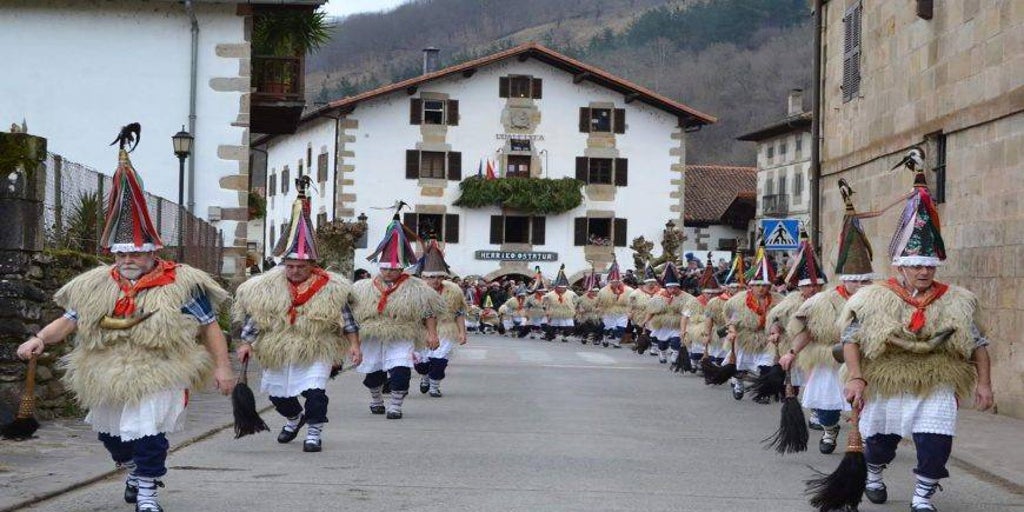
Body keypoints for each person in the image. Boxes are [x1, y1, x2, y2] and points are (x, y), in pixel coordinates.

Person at [17, 128, 234, 512]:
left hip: (161, 369)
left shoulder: (183, 283)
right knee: (113, 435)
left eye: (135, 253)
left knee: (149, 433)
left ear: (152, 252)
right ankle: (133, 468)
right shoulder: (97, 284)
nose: (128, 261)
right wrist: (41, 339)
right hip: (106, 369)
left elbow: (209, 327)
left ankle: (147, 491)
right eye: (121, 255)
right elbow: (69, 319)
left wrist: (222, 368)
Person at [839, 162, 993, 512]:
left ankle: (923, 495)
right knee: (879, 444)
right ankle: (874, 473)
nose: (924, 271)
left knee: (936, 443)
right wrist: (857, 376)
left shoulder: (958, 300)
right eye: (916, 266)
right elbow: (852, 338)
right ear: (901, 267)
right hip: (887, 379)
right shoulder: (874, 297)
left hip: (936, 379)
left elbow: (979, 345)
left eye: (929, 266)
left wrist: (984, 384)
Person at [234, 178, 359, 452]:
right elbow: (257, 316)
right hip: (278, 346)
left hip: (315, 345)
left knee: (315, 391)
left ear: (312, 265)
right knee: (279, 395)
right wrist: (246, 343)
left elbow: (347, 318)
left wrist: (354, 346)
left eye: (300, 267)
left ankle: (314, 431)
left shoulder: (331, 287)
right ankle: (294, 418)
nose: (294, 271)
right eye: (289, 266)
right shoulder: (268, 287)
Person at [779, 181, 874, 453]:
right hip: (831, 358)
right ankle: (830, 429)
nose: (863, 286)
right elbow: (808, 330)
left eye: (867, 280)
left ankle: (863, 436)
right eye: (858, 281)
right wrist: (791, 352)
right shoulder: (824, 301)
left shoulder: (878, 299)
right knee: (829, 405)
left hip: (865, 361)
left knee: (866, 403)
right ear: (847, 280)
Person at [352, 211, 442, 419]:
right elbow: (353, 314)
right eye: (385, 269)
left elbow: (428, 310)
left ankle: (395, 405)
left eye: (394, 269)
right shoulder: (363, 288)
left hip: (402, 332)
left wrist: (432, 334)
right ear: (379, 268)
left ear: (401, 268)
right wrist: (352, 341)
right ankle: (376, 399)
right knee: (373, 373)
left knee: (401, 370)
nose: (389, 273)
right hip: (373, 334)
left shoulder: (416, 287)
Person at [764, 229, 826, 402]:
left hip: (820, 350)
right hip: (796, 348)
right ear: (801, 286)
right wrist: (775, 331)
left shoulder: (829, 301)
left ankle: (817, 412)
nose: (813, 289)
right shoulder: (790, 302)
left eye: (817, 285)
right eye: (809, 285)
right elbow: (776, 318)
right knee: (796, 384)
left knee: (818, 384)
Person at [724, 239, 784, 400]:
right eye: (758, 285)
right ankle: (739, 382)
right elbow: (733, 320)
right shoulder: (739, 300)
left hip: (766, 339)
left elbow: (779, 319)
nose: (761, 288)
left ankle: (762, 392)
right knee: (741, 369)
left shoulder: (778, 300)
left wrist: (776, 331)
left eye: (765, 285)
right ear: (751, 286)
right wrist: (731, 332)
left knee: (766, 367)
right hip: (745, 338)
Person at [412, 238, 467, 398]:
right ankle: (425, 376)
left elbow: (459, 312)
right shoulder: (417, 291)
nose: (435, 280)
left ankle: (434, 386)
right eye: (431, 277)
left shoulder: (453, 291)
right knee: (422, 363)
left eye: (438, 277)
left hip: (445, 328)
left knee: (439, 359)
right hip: (421, 330)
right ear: (425, 277)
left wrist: (462, 332)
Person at [642, 262, 696, 364]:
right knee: (662, 343)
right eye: (670, 287)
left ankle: (675, 355)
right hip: (663, 324)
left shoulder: (687, 298)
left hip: (678, 323)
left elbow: (691, 312)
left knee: (676, 341)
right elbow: (651, 310)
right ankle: (662, 352)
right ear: (667, 287)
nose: (672, 290)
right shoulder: (659, 297)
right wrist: (646, 321)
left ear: (678, 287)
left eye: (674, 287)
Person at [597, 258, 633, 348]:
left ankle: (616, 342)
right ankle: (605, 337)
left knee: (621, 328)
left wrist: (630, 312)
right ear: (610, 282)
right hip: (609, 311)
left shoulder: (628, 291)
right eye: (613, 282)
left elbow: (632, 302)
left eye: (617, 281)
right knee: (607, 327)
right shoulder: (603, 291)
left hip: (622, 312)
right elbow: (599, 302)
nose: (615, 283)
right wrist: (600, 310)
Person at [628, 262, 660, 354]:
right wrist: (630, 312)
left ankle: (654, 347)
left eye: (653, 282)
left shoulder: (660, 292)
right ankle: (641, 344)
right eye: (649, 282)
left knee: (655, 331)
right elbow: (631, 304)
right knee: (642, 331)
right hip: (641, 314)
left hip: (656, 315)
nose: (651, 284)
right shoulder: (636, 292)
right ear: (645, 283)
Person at [542, 265, 578, 342]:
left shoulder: (571, 293)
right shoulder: (550, 294)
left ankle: (564, 337)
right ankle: (550, 336)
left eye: (563, 287)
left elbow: (577, 301)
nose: (561, 289)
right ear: (556, 287)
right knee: (552, 327)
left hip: (567, 313)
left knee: (569, 327)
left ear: (565, 287)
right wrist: (546, 309)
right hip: (555, 313)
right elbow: (544, 301)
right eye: (559, 287)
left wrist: (577, 307)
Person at [575, 270, 603, 345]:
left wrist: (599, 309)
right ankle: (584, 336)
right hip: (584, 315)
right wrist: (579, 308)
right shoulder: (582, 298)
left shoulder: (598, 298)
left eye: (597, 292)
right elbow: (576, 305)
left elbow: (601, 306)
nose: (595, 293)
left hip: (595, 315)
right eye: (593, 291)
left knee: (598, 327)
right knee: (586, 327)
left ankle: (596, 339)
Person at [524, 266, 549, 340]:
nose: (543, 292)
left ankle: (543, 335)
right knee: (535, 324)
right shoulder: (532, 297)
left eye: (543, 291)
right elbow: (526, 305)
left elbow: (549, 304)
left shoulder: (546, 297)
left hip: (543, 312)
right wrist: (527, 312)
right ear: (538, 291)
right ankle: (533, 333)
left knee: (544, 324)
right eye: (542, 291)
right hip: (534, 312)